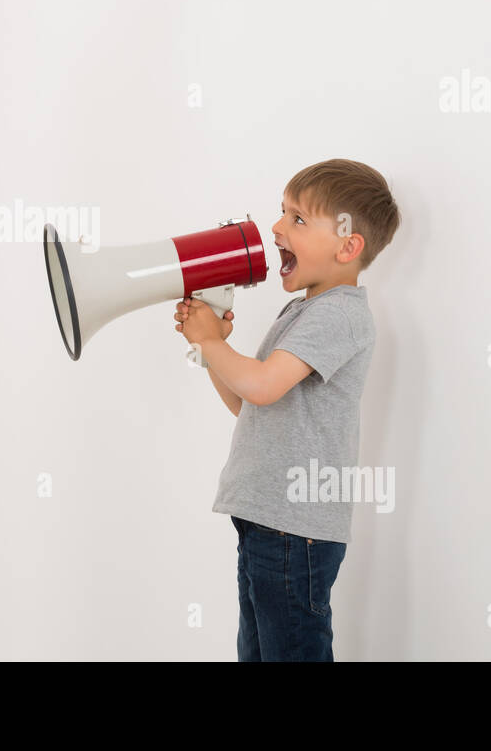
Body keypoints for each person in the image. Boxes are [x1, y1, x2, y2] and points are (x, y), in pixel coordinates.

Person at [174, 158, 400, 660]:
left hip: (293, 529)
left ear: (348, 245)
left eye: (297, 219)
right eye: (283, 212)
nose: (276, 227)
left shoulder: (339, 314)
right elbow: (248, 402)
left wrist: (212, 343)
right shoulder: (304, 310)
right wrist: (213, 348)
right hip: (267, 520)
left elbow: (262, 387)